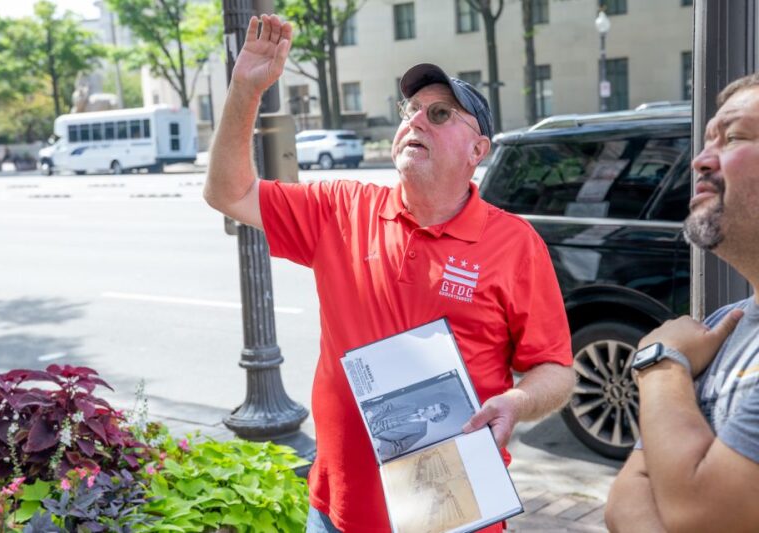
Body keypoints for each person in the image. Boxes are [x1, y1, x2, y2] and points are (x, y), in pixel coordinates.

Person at [204, 14, 575, 533]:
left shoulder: (515, 244)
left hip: (454, 512)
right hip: (337, 511)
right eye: (411, 110)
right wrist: (245, 90)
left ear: (477, 151)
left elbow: (556, 370)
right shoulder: (342, 207)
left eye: (440, 114)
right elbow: (228, 193)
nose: (416, 121)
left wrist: (517, 401)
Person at [605, 74, 759, 532]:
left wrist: (659, 363)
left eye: (733, 137)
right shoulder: (718, 327)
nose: (699, 161)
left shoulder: (685, 347)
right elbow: (621, 508)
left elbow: (699, 514)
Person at [367, 401, 450, 459]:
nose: (429, 407)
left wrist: (379, 444)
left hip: (372, 441)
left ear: (435, 417)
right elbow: (388, 406)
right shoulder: (412, 405)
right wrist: (371, 413)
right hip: (368, 421)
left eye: (434, 409)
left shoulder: (422, 431)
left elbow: (399, 447)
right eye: (433, 405)